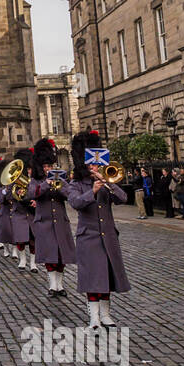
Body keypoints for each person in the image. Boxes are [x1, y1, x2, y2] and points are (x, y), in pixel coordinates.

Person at [66, 132, 130, 328]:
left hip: (108, 236)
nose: (94, 167)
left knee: (107, 277)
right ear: (83, 164)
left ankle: (105, 315)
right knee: (93, 277)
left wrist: (108, 183)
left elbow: (123, 199)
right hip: (89, 237)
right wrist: (92, 191)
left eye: (96, 163)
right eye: (90, 164)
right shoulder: (76, 184)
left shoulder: (106, 182)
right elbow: (76, 203)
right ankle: (94, 317)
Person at [27, 137, 76, 297]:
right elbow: (31, 194)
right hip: (44, 222)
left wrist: (60, 185)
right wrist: (46, 184)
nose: (48, 169)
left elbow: (70, 195)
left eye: (50, 165)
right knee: (50, 255)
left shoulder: (60, 179)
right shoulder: (35, 180)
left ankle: (60, 286)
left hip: (60, 222)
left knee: (61, 256)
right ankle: (52, 285)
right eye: (45, 166)